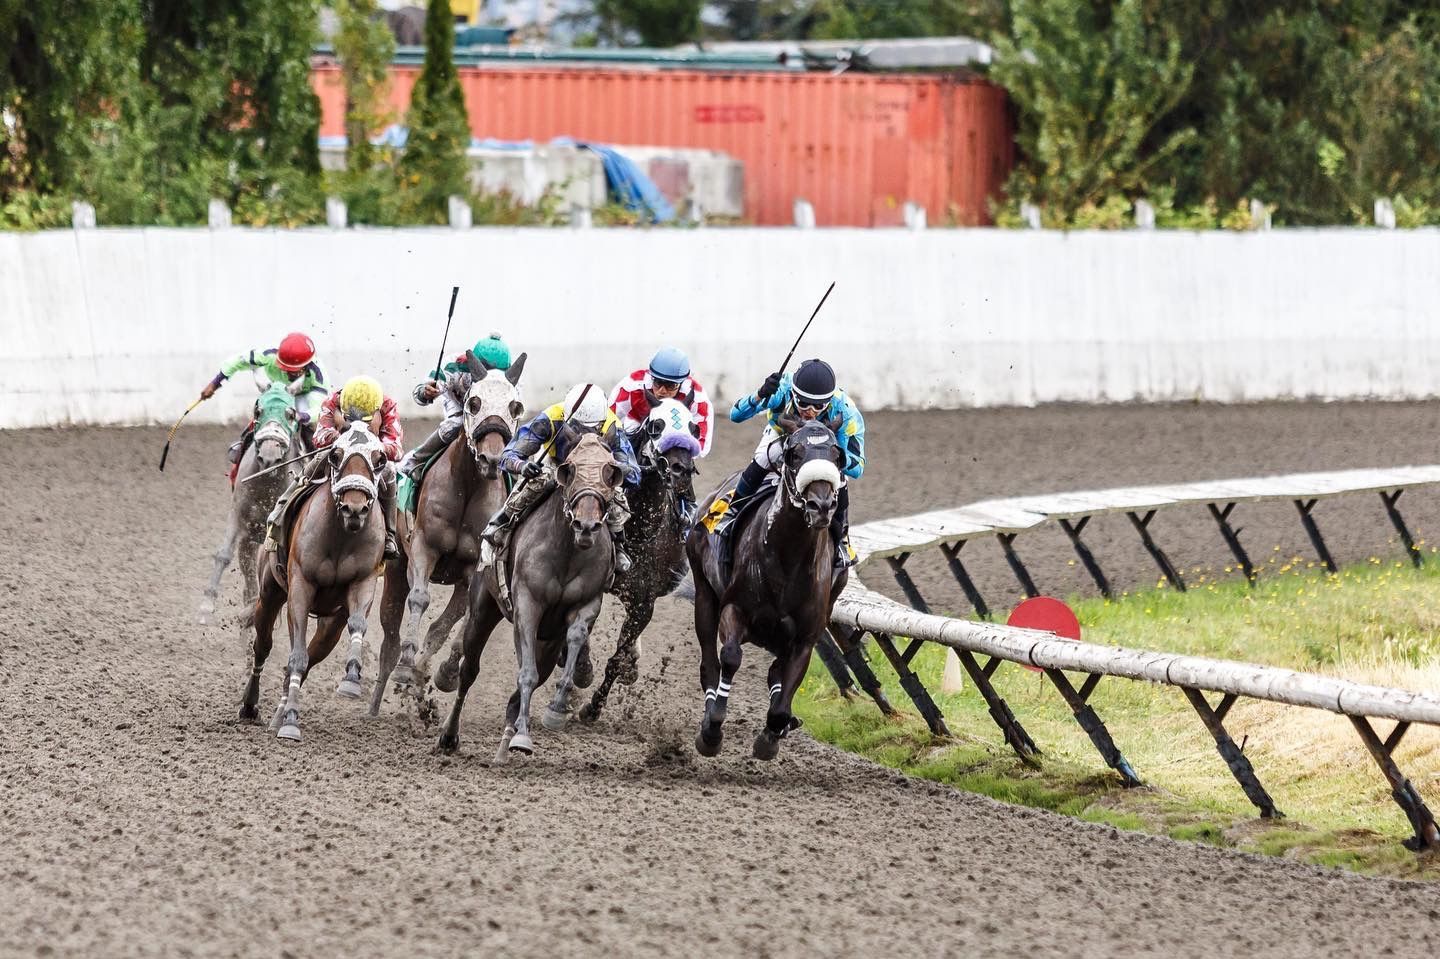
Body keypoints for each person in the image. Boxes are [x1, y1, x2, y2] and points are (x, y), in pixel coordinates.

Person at [480, 383, 640, 573]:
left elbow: (634, 473)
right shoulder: (550, 417)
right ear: (567, 416)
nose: (585, 435)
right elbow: (508, 455)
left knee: (617, 493)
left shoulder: (613, 425)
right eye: (579, 428)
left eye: (594, 429)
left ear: (602, 420)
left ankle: (619, 545)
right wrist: (523, 466)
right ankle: (501, 523)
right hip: (559, 467)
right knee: (538, 481)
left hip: (595, 473)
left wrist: (614, 469)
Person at [728, 358, 865, 568]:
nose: (809, 411)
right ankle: (731, 514)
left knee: (840, 477)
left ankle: (842, 540)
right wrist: (760, 394)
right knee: (767, 455)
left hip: (823, 448)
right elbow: (735, 415)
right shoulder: (781, 389)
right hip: (783, 434)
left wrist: (832, 455)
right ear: (793, 393)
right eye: (802, 403)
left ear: (830, 401)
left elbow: (857, 467)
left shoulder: (846, 411)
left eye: (818, 406)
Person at [263, 375, 404, 560]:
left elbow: (397, 449)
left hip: (371, 455)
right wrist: (342, 437)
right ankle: (279, 515)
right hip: (342, 450)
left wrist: (374, 445)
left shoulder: (388, 405)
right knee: (318, 460)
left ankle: (390, 535)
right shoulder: (332, 401)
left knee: (390, 471)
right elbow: (319, 437)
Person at [398, 333, 515, 478]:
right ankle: (416, 460)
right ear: (472, 364)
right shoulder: (454, 365)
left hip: (492, 410)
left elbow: (513, 414)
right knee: (457, 423)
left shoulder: (511, 381)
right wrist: (426, 393)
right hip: (460, 404)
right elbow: (421, 393)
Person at [199, 332, 326, 464]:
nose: (287, 372)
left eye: (292, 370)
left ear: (305, 366)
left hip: (303, 395)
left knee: (309, 425)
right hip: (276, 390)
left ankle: (317, 462)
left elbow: (319, 408)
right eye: (284, 367)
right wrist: (214, 383)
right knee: (262, 413)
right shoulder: (267, 355)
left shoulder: (318, 375)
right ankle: (243, 446)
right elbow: (238, 361)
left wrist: (301, 416)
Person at [609, 346, 715, 458]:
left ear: (682, 383)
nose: (662, 391)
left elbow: (702, 446)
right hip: (635, 427)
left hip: (676, 443)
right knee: (628, 428)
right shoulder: (631, 386)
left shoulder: (698, 399)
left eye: (670, 385)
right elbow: (607, 420)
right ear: (651, 377)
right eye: (658, 382)